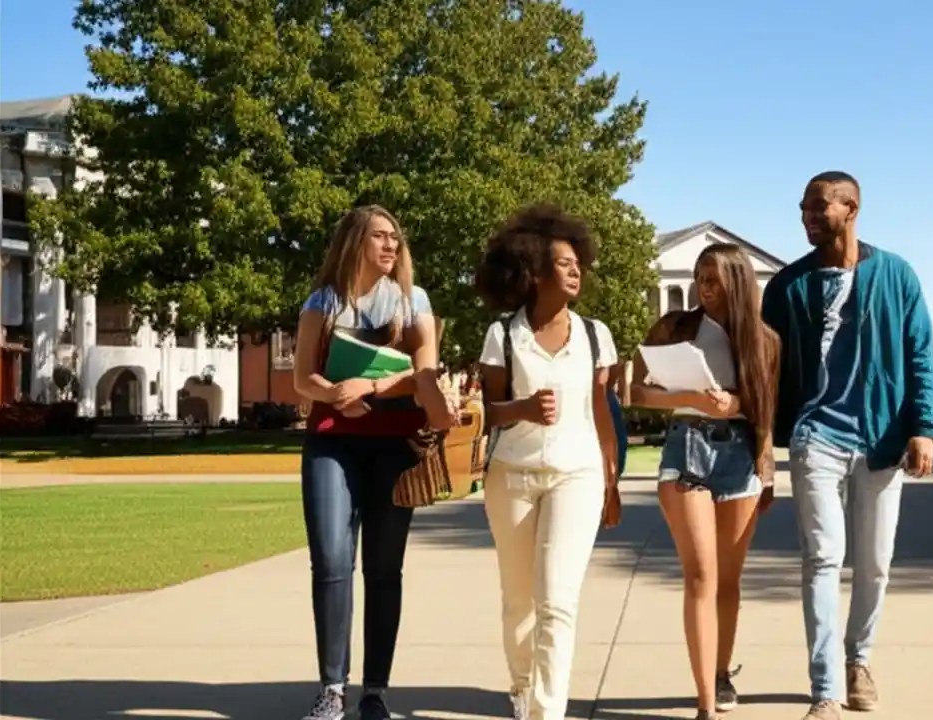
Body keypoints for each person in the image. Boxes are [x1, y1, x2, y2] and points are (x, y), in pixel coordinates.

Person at [760, 172, 933, 718]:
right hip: (816, 435)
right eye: (803, 207)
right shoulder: (786, 287)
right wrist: (764, 440)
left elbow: (920, 353)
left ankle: (859, 658)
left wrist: (924, 426)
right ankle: (826, 688)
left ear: (851, 207)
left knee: (876, 563)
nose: (807, 216)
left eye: (818, 207)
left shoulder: (896, 275)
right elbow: (765, 370)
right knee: (821, 560)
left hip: (882, 438)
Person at [291, 205, 457, 720]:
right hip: (331, 441)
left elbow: (425, 374)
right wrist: (337, 392)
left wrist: (374, 386)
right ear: (354, 242)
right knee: (332, 564)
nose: (391, 246)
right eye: (379, 237)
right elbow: (301, 378)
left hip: (394, 444)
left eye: (395, 238)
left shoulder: (414, 302)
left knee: (384, 570)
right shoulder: (323, 300)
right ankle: (332, 690)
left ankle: (375, 692)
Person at [474, 203, 620, 720]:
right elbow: (487, 414)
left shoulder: (595, 335)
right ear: (534, 272)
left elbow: (602, 410)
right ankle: (521, 686)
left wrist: (612, 477)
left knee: (557, 599)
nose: (576, 269)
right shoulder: (503, 335)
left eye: (578, 261)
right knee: (519, 600)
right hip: (510, 475)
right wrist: (524, 409)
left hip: (577, 476)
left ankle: (547, 711)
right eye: (563, 263)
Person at [630, 243, 780, 720]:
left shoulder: (764, 339)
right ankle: (705, 703)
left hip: (740, 456)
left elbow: (765, 411)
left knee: (729, 583)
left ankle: (720, 673)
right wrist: (692, 394)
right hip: (685, 449)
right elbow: (635, 392)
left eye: (713, 279)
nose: (704, 288)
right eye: (699, 278)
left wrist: (735, 409)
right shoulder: (675, 328)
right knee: (700, 575)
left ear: (737, 281)